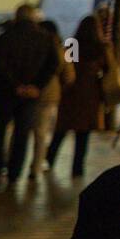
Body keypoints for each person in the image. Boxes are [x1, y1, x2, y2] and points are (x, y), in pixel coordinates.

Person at [0, 4, 60, 184]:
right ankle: (15, 171)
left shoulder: (7, 36)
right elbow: (53, 65)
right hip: (31, 94)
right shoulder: (46, 38)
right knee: (22, 133)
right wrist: (36, 86)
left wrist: (16, 85)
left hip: (6, 92)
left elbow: (0, 63)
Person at [49, 13, 116, 179]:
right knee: (83, 134)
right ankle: (77, 168)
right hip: (90, 94)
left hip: (71, 92)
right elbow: (110, 69)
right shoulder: (101, 47)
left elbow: (64, 67)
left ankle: (49, 160)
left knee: (61, 129)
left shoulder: (73, 45)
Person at [30, 20, 74, 179]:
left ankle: (12, 164)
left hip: (31, 94)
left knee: (22, 131)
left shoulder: (35, 46)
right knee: (41, 134)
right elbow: (69, 76)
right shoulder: (61, 50)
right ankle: (35, 167)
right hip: (50, 96)